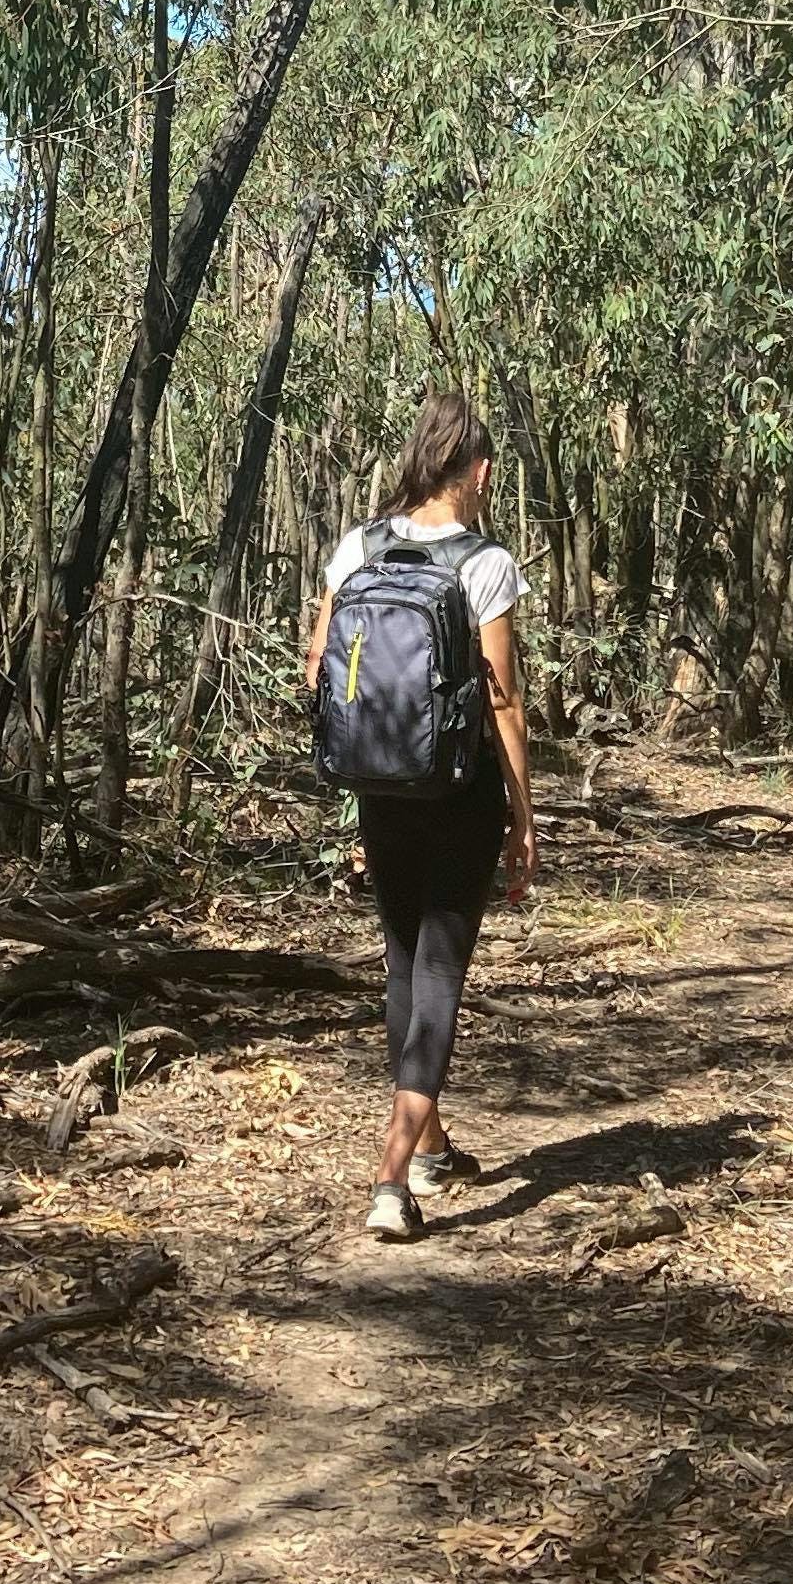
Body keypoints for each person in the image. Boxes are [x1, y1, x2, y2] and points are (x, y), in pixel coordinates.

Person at [302, 386, 537, 1241]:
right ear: (478, 471)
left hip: (379, 787)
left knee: (403, 965)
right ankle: (391, 1178)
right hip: (459, 792)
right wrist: (523, 815)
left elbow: (319, 668)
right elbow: (502, 702)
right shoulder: (485, 564)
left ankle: (430, 1148)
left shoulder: (358, 548)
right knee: (438, 971)